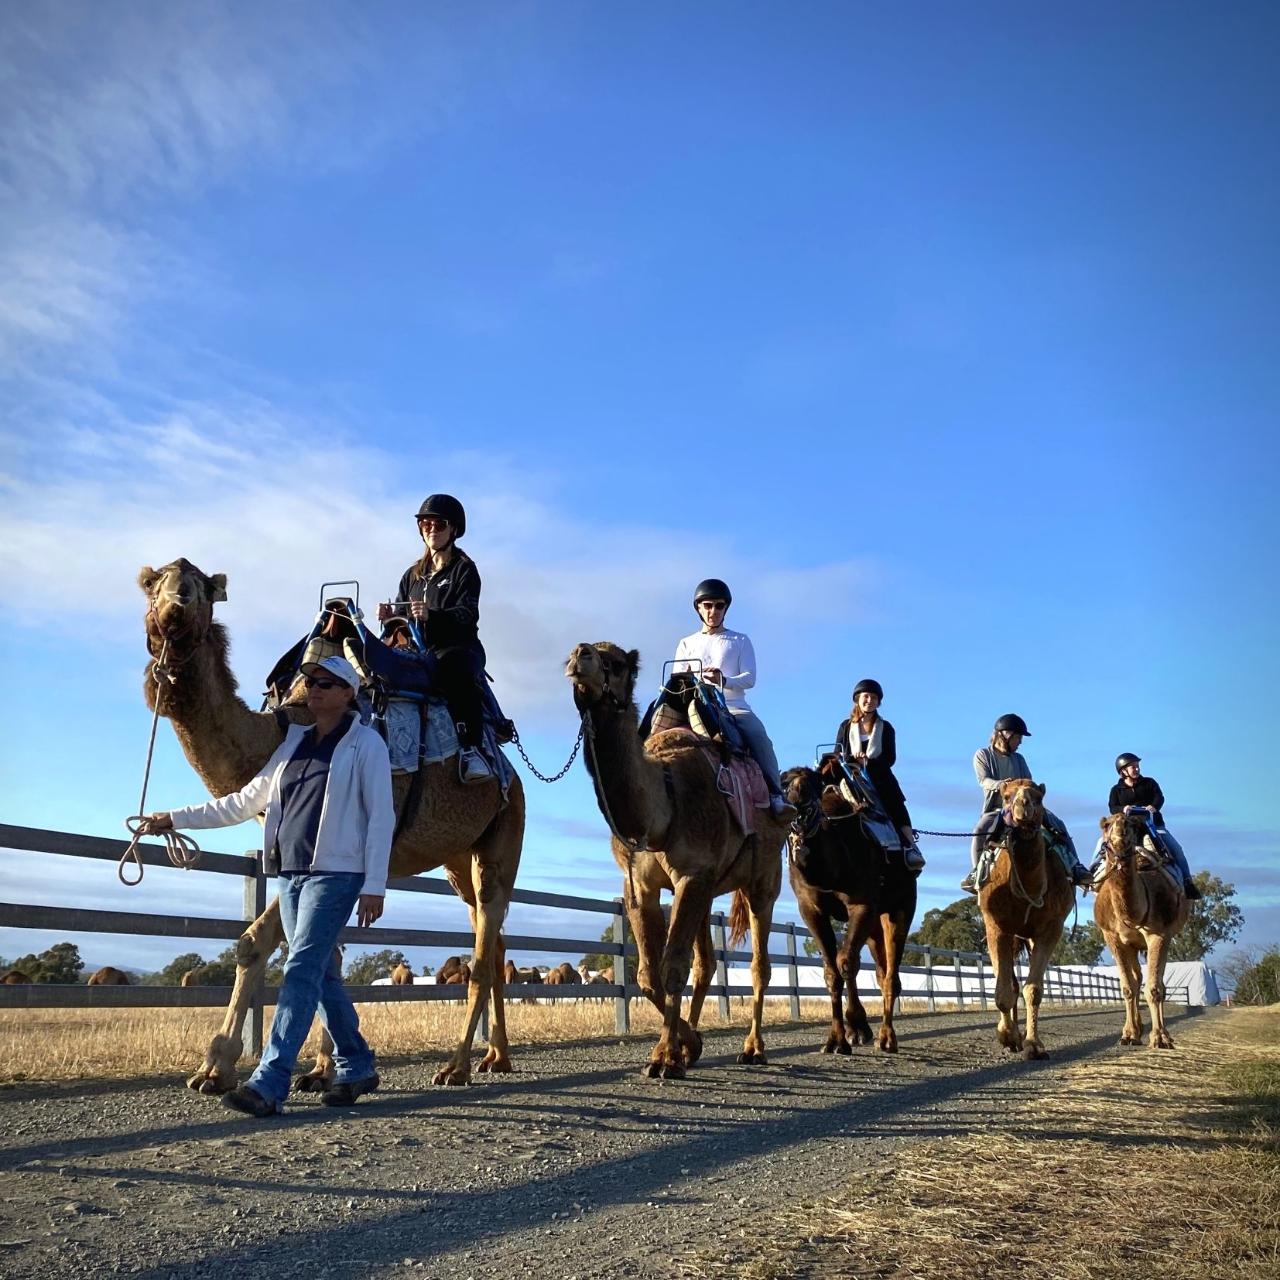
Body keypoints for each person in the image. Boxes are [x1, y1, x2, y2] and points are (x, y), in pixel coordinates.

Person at [138, 655, 394, 1117]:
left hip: (337, 874)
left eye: (327, 683)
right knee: (322, 975)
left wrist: (374, 883)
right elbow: (242, 802)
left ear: (348, 694)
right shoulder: (293, 743)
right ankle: (356, 1062)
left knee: (299, 969)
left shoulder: (366, 745)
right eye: (310, 680)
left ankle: (270, 1081)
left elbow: (380, 819)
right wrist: (173, 818)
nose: (314, 688)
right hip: (292, 872)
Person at [365, 493, 492, 784]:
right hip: (415, 648)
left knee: (453, 668)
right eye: (425, 523)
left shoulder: (465, 570)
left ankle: (471, 750)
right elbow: (401, 610)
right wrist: (388, 615)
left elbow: (467, 614)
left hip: (457, 647)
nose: (431, 529)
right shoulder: (412, 575)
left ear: (454, 529)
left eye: (439, 523)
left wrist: (432, 616)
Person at [673, 578, 793, 817]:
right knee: (655, 728)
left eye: (718, 606)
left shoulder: (739, 640)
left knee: (759, 737)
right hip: (693, 704)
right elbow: (676, 677)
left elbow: (750, 678)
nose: (713, 611)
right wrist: (684, 679)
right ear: (698, 608)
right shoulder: (686, 643)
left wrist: (723, 680)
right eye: (707, 605)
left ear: (726, 608)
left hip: (733, 706)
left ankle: (775, 793)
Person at [961, 713, 1091, 893]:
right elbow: (984, 781)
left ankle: (1076, 866)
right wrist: (1002, 785)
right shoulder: (982, 755)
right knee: (980, 830)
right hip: (1000, 808)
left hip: (1025, 805)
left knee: (1059, 825)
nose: (1020, 742)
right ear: (1004, 735)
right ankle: (976, 873)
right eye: (1018, 737)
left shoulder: (1019, 759)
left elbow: (1028, 782)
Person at [833, 679, 926, 870]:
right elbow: (837, 752)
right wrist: (851, 758)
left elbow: (890, 758)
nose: (869, 700)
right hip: (851, 774)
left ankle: (910, 847)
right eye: (866, 696)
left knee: (896, 803)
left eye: (874, 697)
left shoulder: (886, 727)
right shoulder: (845, 726)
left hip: (878, 774)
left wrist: (867, 761)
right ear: (857, 699)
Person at [1095, 753, 1201, 899]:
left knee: (1176, 848)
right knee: (1101, 843)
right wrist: (1123, 809)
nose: (1137, 769)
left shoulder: (1149, 783)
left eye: (1137, 766)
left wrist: (1154, 806)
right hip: (1128, 829)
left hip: (1153, 826)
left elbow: (1160, 797)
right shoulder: (1116, 790)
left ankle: (1188, 883)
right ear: (1123, 771)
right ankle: (1090, 874)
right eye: (1133, 767)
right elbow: (1112, 807)